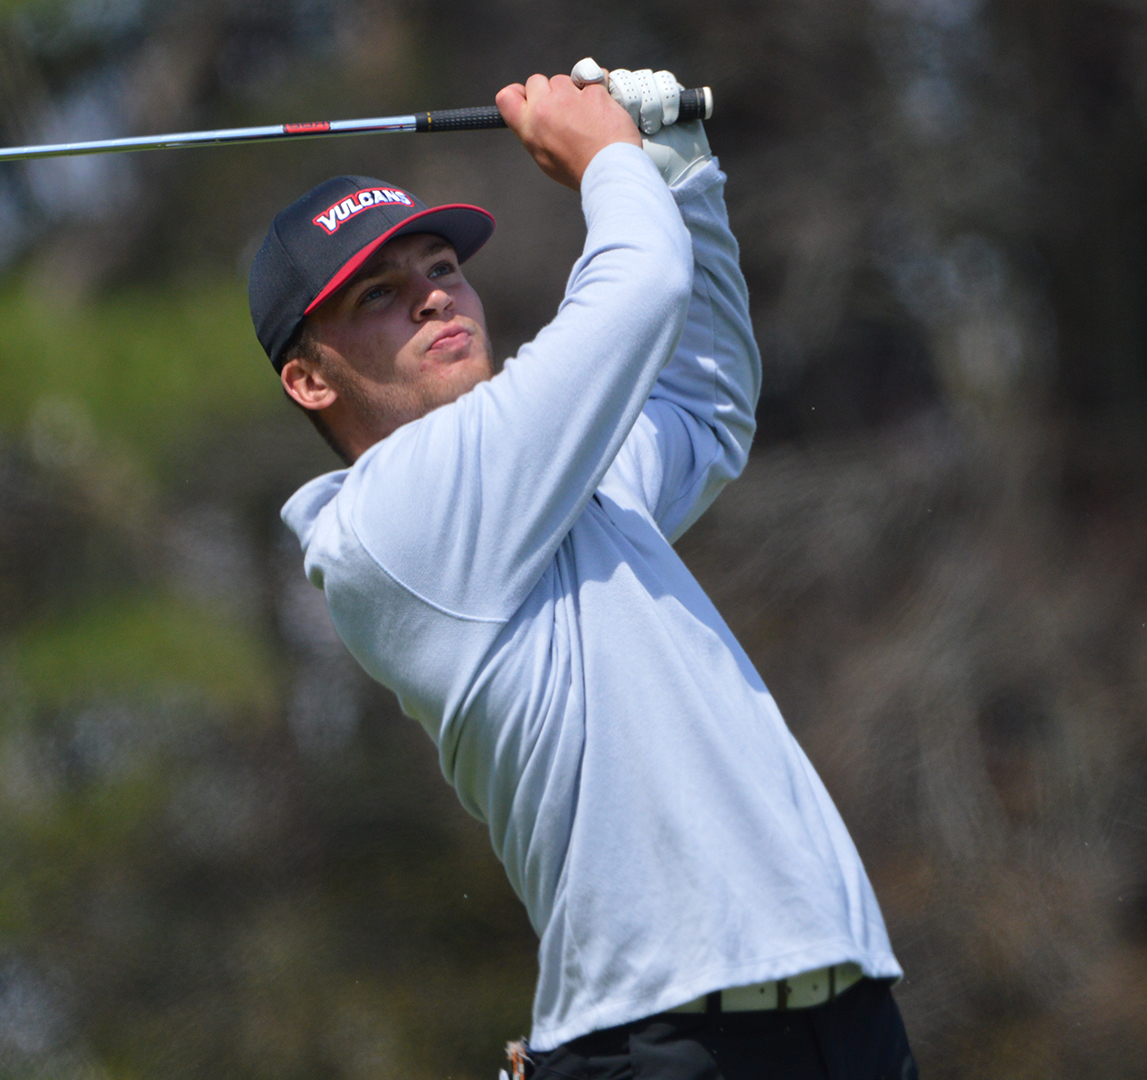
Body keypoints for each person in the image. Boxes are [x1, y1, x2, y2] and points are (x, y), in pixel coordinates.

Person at [246, 65, 918, 1080]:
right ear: (308, 378)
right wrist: (606, 159)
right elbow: (639, 289)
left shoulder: (548, 486)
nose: (434, 296)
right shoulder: (394, 521)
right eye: (381, 295)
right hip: (664, 1043)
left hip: (840, 1010)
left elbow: (701, 409)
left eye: (441, 267)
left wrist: (678, 170)